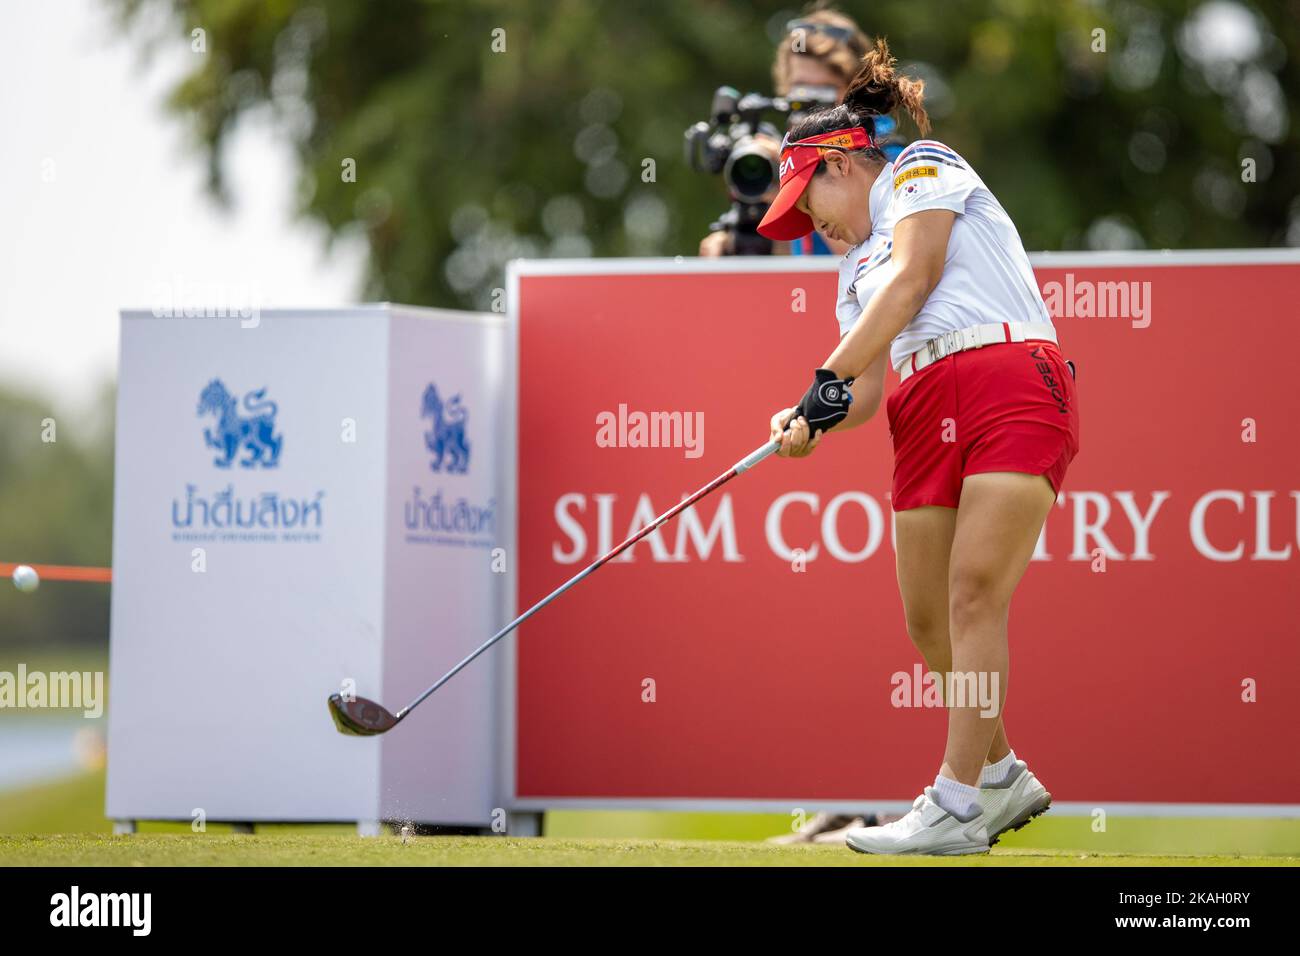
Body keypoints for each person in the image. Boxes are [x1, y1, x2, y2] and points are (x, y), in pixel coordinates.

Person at [756, 37, 1080, 855]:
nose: (813, 227)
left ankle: (957, 804)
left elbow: (917, 278)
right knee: (929, 619)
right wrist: (813, 422)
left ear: (841, 165)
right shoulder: (851, 269)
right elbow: (865, 390)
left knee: (974, 592)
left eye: (810, 204)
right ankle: (1001, 773)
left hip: (1011, 373)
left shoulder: (921, 168)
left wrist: (822, 377)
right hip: (922, 403)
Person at [699, 7, 872, 260]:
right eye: (800, 90)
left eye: (824, 92)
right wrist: (735, 243)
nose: (810, 106)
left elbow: (875, 261)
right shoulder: (781, 154)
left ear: (857, 88)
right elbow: (792, 262)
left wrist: (796, 183)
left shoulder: (881, 154)